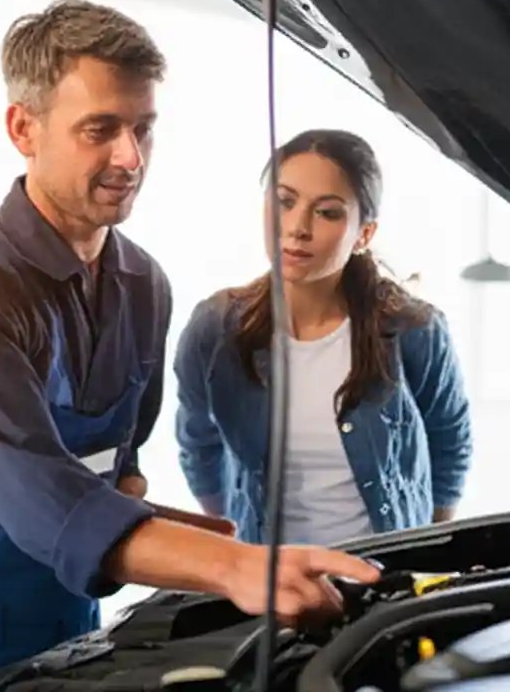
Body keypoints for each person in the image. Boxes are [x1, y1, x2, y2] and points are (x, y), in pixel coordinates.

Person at [0, 0, 380, 692]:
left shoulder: (142, 285)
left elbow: (115, 477)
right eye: (101, 130)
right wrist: (237, 568)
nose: (130, 157)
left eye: (143, 129)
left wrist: (244, 552)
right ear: (22, 129)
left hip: (71, 620)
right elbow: (49, 500)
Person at [175, 128, 474, 547]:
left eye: (328, 212)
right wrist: (238, 536)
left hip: (383, 578)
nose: (297, 227)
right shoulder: (215, 327)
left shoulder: (413, 328)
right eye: (285, 202)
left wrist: (425, 551)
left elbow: (449, 441)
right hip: (270, 586)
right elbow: (197, 443)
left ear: (364, 234)